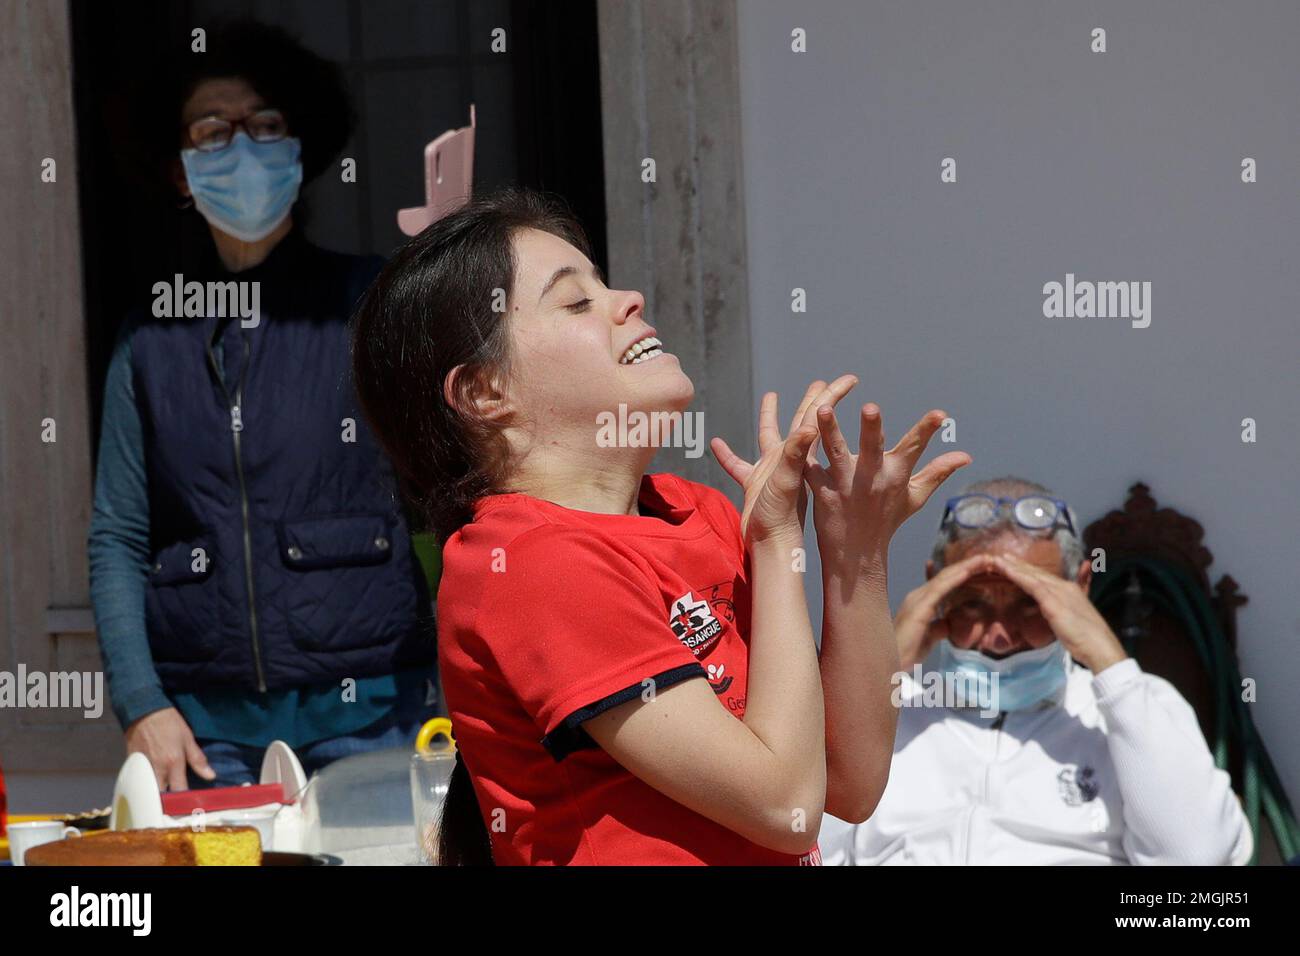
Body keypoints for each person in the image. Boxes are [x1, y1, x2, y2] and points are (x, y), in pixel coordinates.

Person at [350, 187, 970, 864]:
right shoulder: (529, 560)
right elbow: (786, 807)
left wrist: (857, 555)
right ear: (484, 393)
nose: (629, 301)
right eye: (577, 301)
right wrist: (778, 542)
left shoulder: (690, 509)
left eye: (604, 284)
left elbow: (847, 785)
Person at [88, 21, 438, 791]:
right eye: (213, 132)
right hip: (208, 734)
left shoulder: (371, 302)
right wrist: (143, 703)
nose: (241, 148)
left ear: (297, 149)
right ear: (181, 172)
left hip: (374, 711)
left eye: (265, 126)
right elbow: (118, 534)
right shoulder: (149, 336)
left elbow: (452, 485)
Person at [818, 477, 1253, 865]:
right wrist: (884, 669)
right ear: (935, 589)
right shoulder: (893, 714)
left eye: (1031, 603)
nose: (1001, 637)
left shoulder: (1135, 709)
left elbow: (1197, 860)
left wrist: (1110, 664)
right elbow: (811, 850)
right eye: (973, 603)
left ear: (1080, 588)